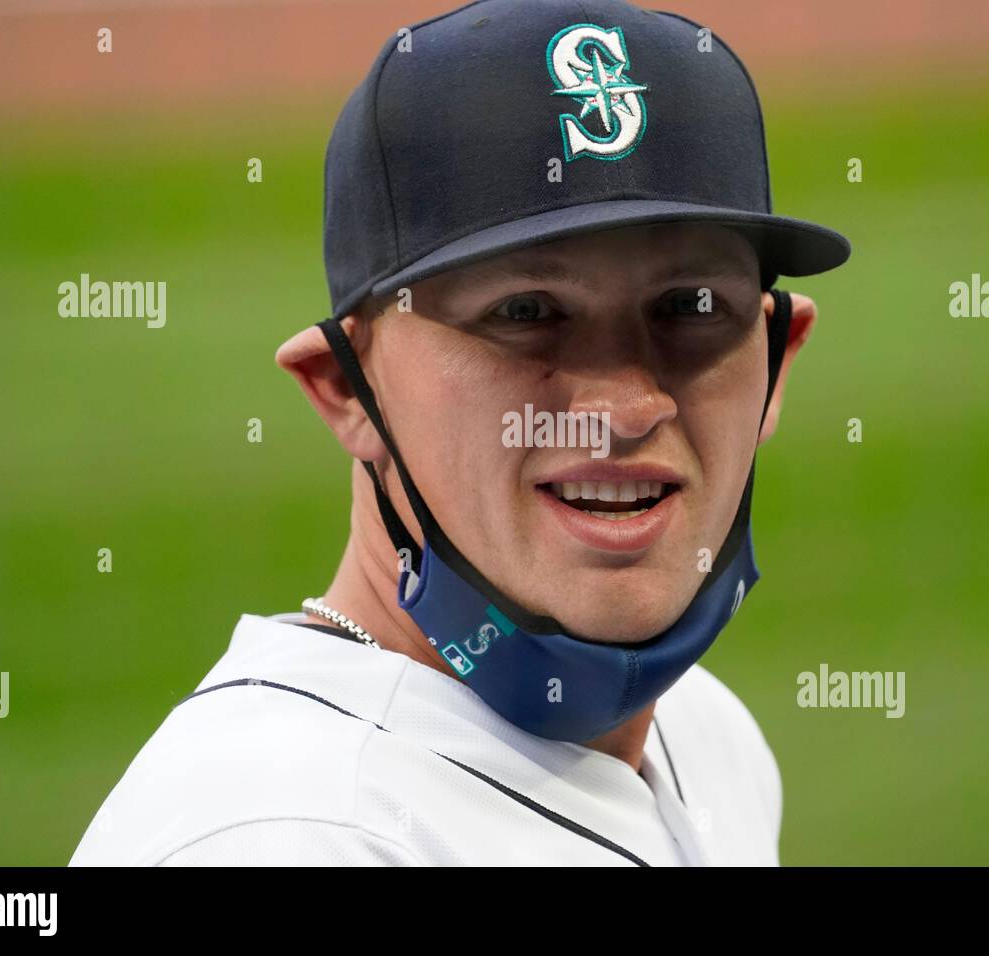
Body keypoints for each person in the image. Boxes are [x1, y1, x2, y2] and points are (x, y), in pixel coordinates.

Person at [70, 0, 849, 866]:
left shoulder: (709, 736)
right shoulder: (281, 837)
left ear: (778, 359)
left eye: (687, 308)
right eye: (526, 312)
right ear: (345, 389)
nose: (626, 407)